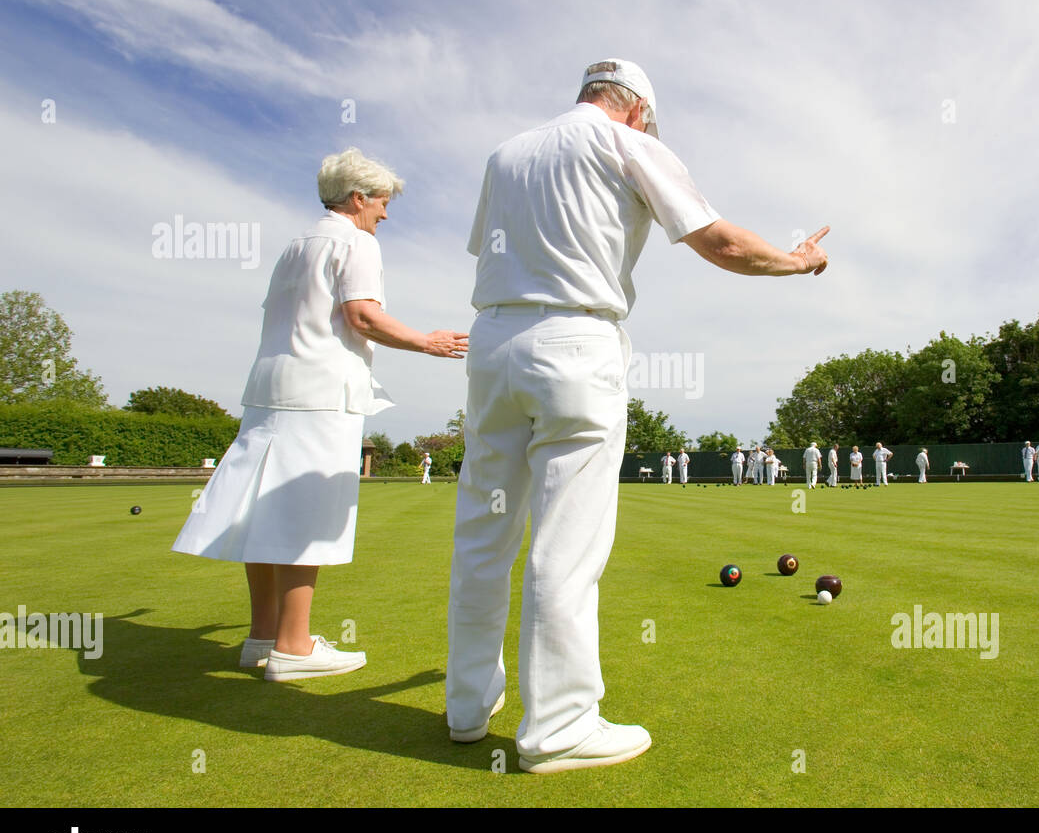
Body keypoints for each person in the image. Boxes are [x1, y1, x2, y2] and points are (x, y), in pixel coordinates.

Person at [447, 58, 829, 773]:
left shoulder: (506, 154)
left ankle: (467, 706)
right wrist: (796, 261)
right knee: (568, 544)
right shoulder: (628, 143)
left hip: (492, 344)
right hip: (575, 341)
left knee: (481, 536)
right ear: (637, 110)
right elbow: (721, 243)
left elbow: (490, 250)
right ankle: (558, 728)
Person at [172, 148, 468, 681]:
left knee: (262, 511)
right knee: (304, 514)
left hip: (269, 389)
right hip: (320, 394)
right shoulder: (356, 242)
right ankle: (294, 649)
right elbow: (362, 316)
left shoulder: (295, 246)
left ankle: (263, 637)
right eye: (381, 202)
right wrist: (428, 341)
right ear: (358, 198)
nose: (385, 213)